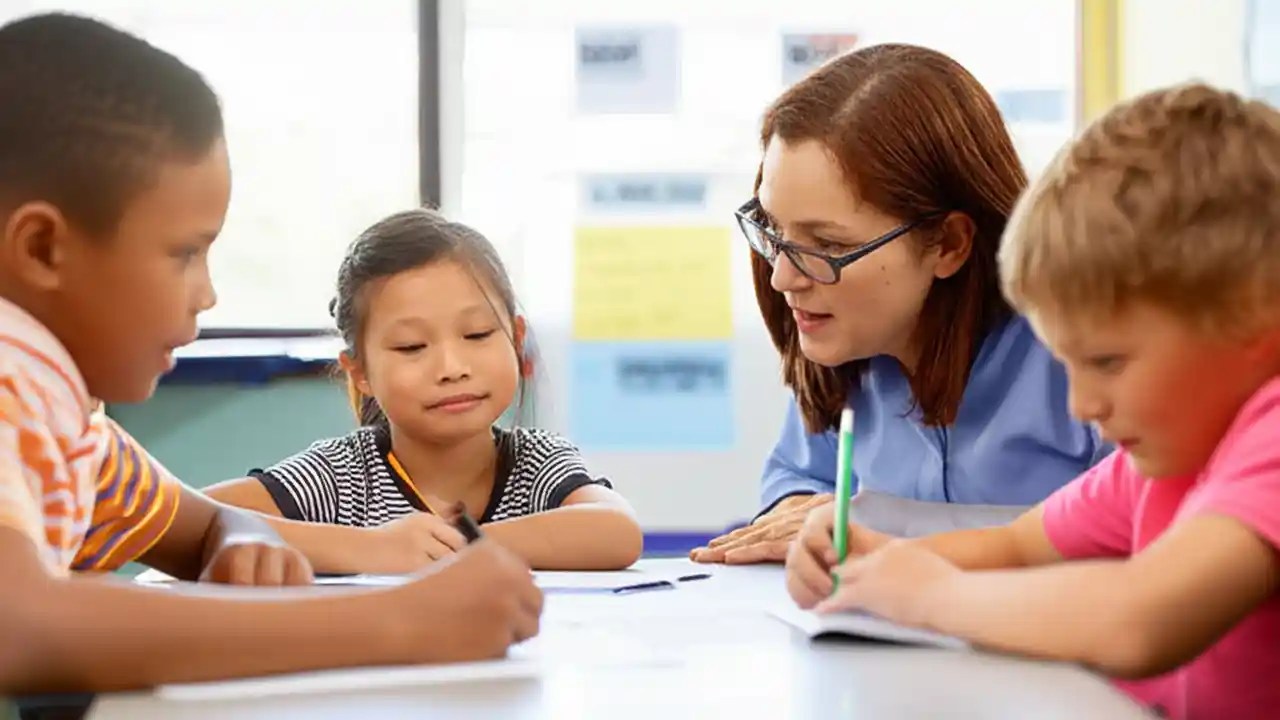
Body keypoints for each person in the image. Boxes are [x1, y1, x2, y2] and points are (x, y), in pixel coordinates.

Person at [0, 13, 539, 693]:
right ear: (44, 249)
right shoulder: (11, 385)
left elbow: (201, 525)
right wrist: (398, 623)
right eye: (185, 253)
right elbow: (19, 625)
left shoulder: (69, 422)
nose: (208, 294)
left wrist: (239, 541)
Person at [787, 83, 1280, 720]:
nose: (1081, 405)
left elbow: (1140, 620)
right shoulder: (1163, 455)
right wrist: (875, 562)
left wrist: (932, 597)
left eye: (1108, 362)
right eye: (1068, 364)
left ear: (1254, 324)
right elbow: (1019, 547)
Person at [691, 43, 1107, 564]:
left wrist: (878, 523)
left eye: (831, 245)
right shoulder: (848, 347)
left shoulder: (1086, 349)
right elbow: (799, 478)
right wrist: (804, 516)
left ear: (950, 244)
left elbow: (1133, 523)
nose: (781, 277)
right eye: (774, 229)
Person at [206, 209, 644, 572]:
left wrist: (460, 542)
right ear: (360, 372)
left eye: (476, 335)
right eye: (412, 347)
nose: (452, 369)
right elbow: (196, 520)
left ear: (515, 336)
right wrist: (368, 548)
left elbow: (617, 531)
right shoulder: (342, 476)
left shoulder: (535, 462)